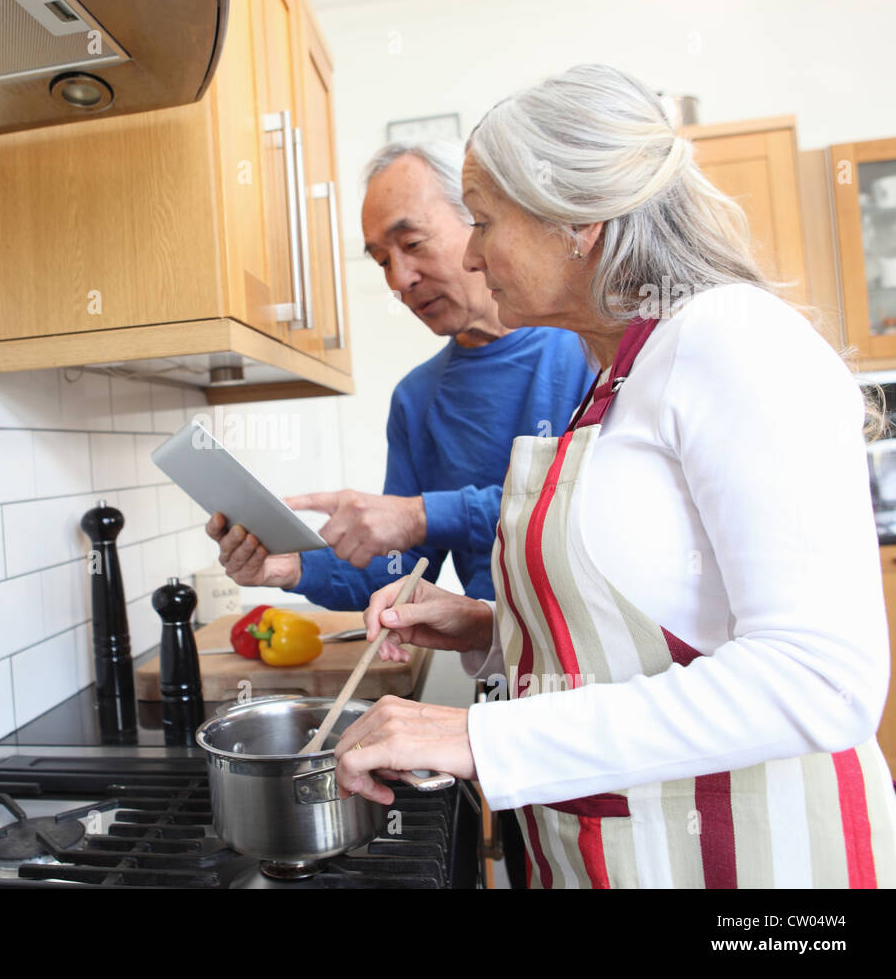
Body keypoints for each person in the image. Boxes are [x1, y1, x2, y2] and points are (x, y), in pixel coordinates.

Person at [335, 64, 896, 889]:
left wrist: (481, 739)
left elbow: (821, 680)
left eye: (485, 222)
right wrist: (493, 628)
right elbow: (666, 617)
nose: (477, 254)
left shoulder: (732, 340)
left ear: (579, 220)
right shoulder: (618, 374)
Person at [207, 141, 596, 607]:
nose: (399, 280)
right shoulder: (418, 399)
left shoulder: (590, 347)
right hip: (504, 669)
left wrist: (422, 514)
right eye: (382, 261)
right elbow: (399, 568)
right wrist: (293, 568)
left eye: (412, 244)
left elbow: (593, 503)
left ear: (479, 223)